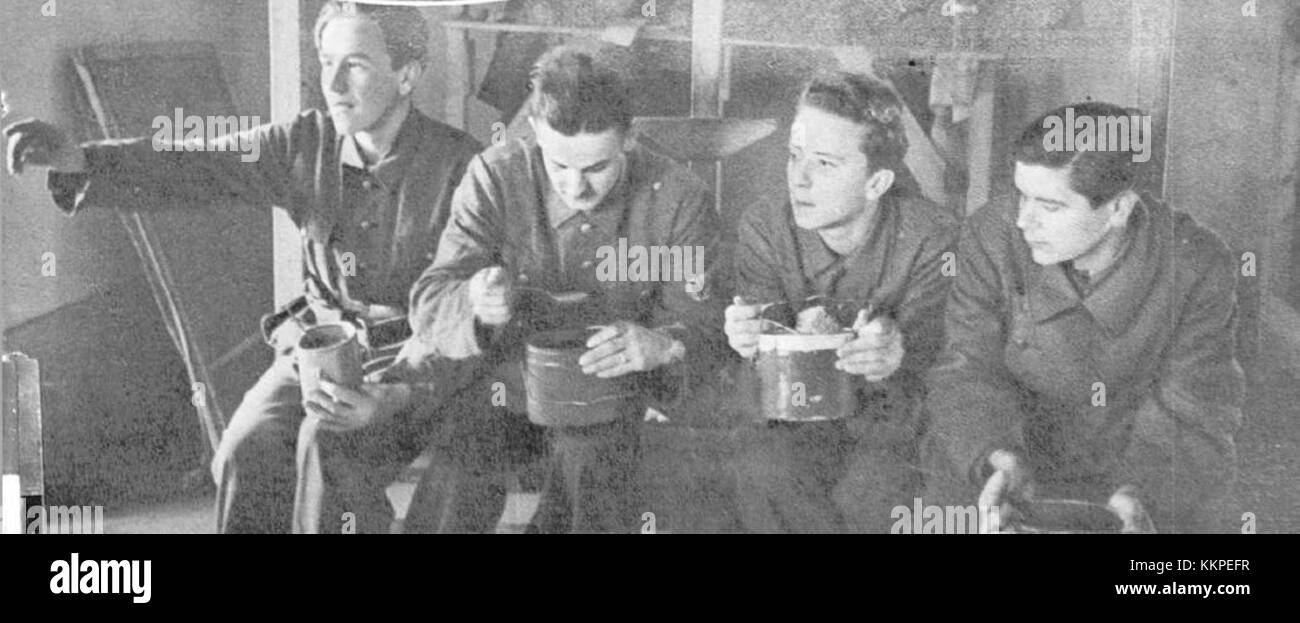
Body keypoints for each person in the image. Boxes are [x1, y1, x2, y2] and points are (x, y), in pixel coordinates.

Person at [3, 1, 482, 534]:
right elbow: (199, 163)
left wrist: (395, 392)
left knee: (328, 453)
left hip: (418, 363)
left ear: (407, 74)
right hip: (321, 351)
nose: (334, 82)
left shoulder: (462, 168)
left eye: (357, 64)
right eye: (326, 62)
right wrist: (82, 160)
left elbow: (468, 315)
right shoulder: (305, 143)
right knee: (243, 452)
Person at [402, 43, 728, 533]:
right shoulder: (495, 176)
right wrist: (474, 300)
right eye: (559, 166)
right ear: (534, 131)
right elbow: (431, 298)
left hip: (615, 402)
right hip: (509, 388)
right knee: (460, 460)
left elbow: (708, 328)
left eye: (597, 168)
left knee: (589, 479)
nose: (576, 188)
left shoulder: (679, 199)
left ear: (629, 139)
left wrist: (662, 345)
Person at [921, 102, 1244, 533]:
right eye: (1022, 195)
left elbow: (1194, 409)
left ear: (1119, 209)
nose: (1022, 221)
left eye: (1050, 207)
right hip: (1007, 452)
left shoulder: (1195, 263)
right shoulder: (991, 234)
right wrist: (996, 456)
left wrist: (1139, 494)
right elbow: (965, 368)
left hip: (1135, 463)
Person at [722, 72, 959, 533]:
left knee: (877, 490)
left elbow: (952, 377)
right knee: (762, 467)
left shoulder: (934, 240)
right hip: (794, 420)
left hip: (898, 424)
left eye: (826, 164)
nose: (800, 179)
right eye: (794, 156)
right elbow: (762, 390)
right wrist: (750, 340)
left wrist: (898, 356)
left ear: (877, 182)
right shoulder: (767, 227)